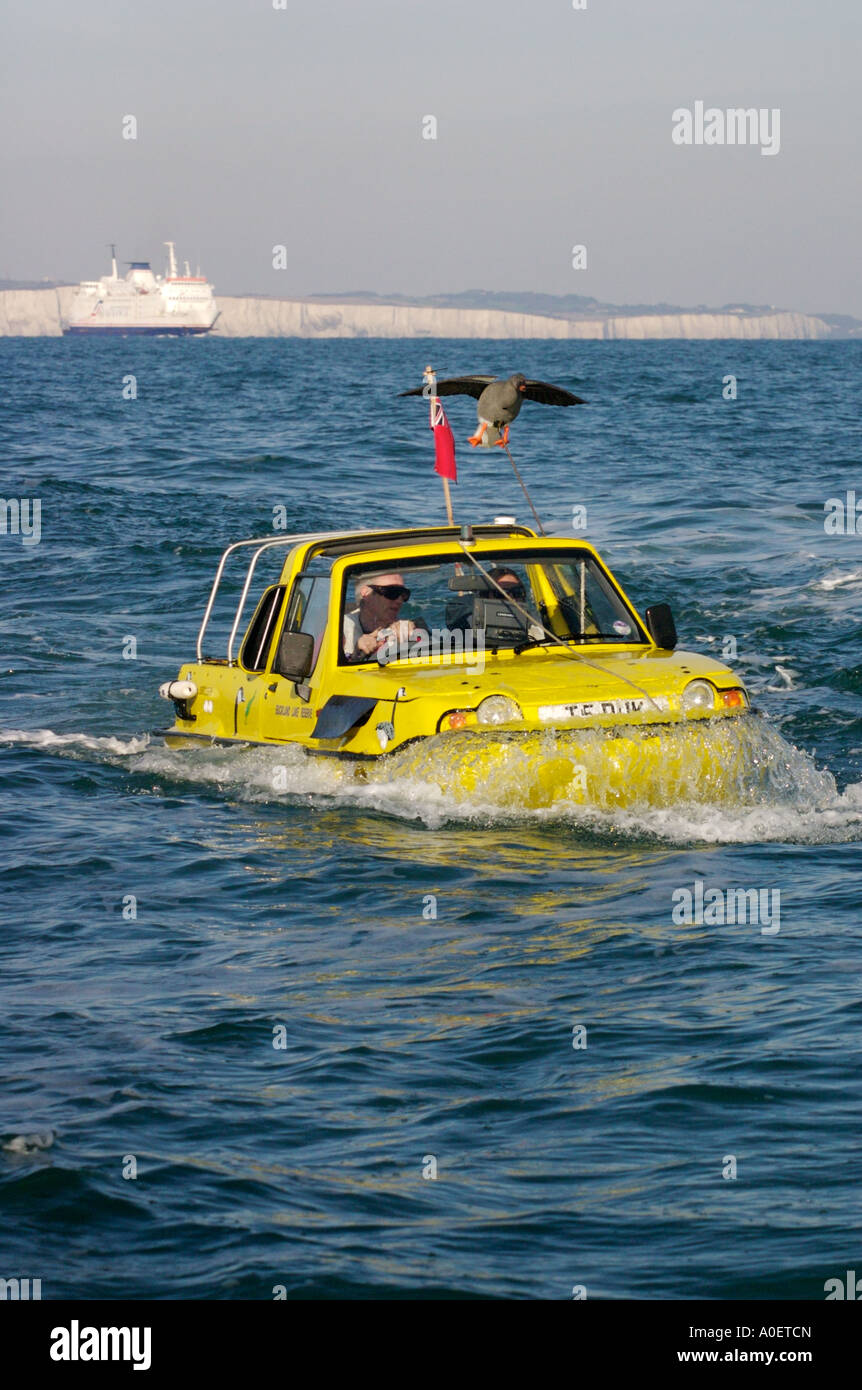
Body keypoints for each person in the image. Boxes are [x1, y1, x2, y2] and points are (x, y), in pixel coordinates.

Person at [343, 571, 420, 661]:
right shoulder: (338, 630)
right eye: (392, 592)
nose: (399, 601)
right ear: (366, 593)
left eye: (403, 594)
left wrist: (414, 634)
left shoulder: (407, 630)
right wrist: (356, 654)